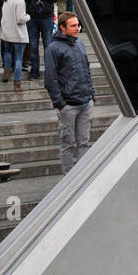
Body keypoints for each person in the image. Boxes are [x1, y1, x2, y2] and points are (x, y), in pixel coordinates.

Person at [45, 12, 95, 173]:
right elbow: (50, 79)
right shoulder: (53, 48)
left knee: (84, 142)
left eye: (78, 25)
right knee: (67, 143)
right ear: (62, 27)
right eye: (73, 26)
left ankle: (83, 177)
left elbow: (86, 69)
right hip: (68, 104)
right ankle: (68, 178)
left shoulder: (79, 43)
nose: (77, 28)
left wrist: (91, 94)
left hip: (85, 101)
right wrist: (60, 104)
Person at [25, 0, 60, 81]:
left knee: (48, 45)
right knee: (33, 45)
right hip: (32, 17)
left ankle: (50, 71)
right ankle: (34, 71)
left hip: (46, 16)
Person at [0, 0, 30, 91]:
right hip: (18, 34)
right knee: (18, 58)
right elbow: (20, 18)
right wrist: (28, 16)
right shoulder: (20, 0)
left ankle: (7, 71)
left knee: (7, 52)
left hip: (6, 33)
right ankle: (17, 82)